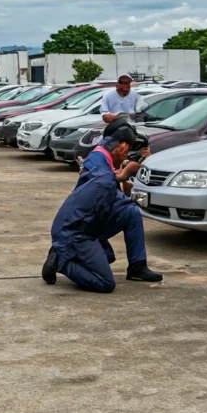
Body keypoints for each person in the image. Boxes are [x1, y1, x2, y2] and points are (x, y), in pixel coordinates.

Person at [41, 119, 162, 293]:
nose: (127, 155)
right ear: (121, 145)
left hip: (86, 220)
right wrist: (125, 174)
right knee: (105, 282)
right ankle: (61, 259)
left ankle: (137, 266)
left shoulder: (102, 156)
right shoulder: (100, 168)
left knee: (131, 213)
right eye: (128, 149)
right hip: (77, 230)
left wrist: (120, 176)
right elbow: (108, 191)